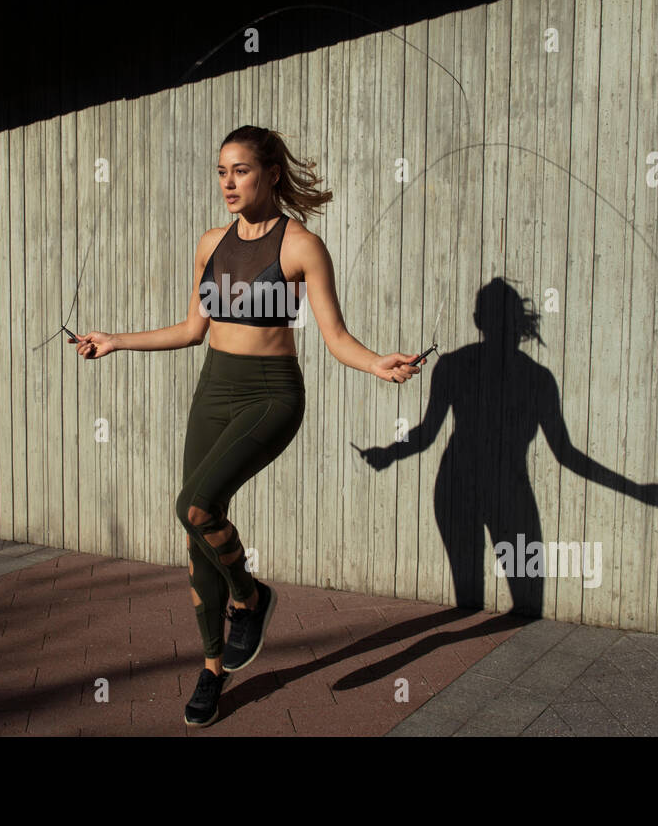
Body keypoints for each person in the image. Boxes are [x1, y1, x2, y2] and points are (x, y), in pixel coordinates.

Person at [67, 125, 426, 727]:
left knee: (196, 505)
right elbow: (190, 331)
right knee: (195, 537)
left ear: (270, 175)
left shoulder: (301, 246)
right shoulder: (210, 242)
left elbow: (334, 337)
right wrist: (116, 340)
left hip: (271, 395)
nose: (228, 183)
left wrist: (378, 364)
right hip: (214, 390)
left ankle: (251, 598)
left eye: (241, 171)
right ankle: (212, 670)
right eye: (221, 171)